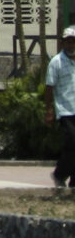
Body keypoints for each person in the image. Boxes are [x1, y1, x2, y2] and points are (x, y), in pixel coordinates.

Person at [49, 26, 75, 187]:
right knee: (72, 142)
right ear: (63, 43)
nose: (71, 45)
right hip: (65, 110)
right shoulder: (56, 62)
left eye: (73, 42)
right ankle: (59, 174)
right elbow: (49, 86)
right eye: (68, 42)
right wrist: (49, 109)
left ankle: (73, 181)